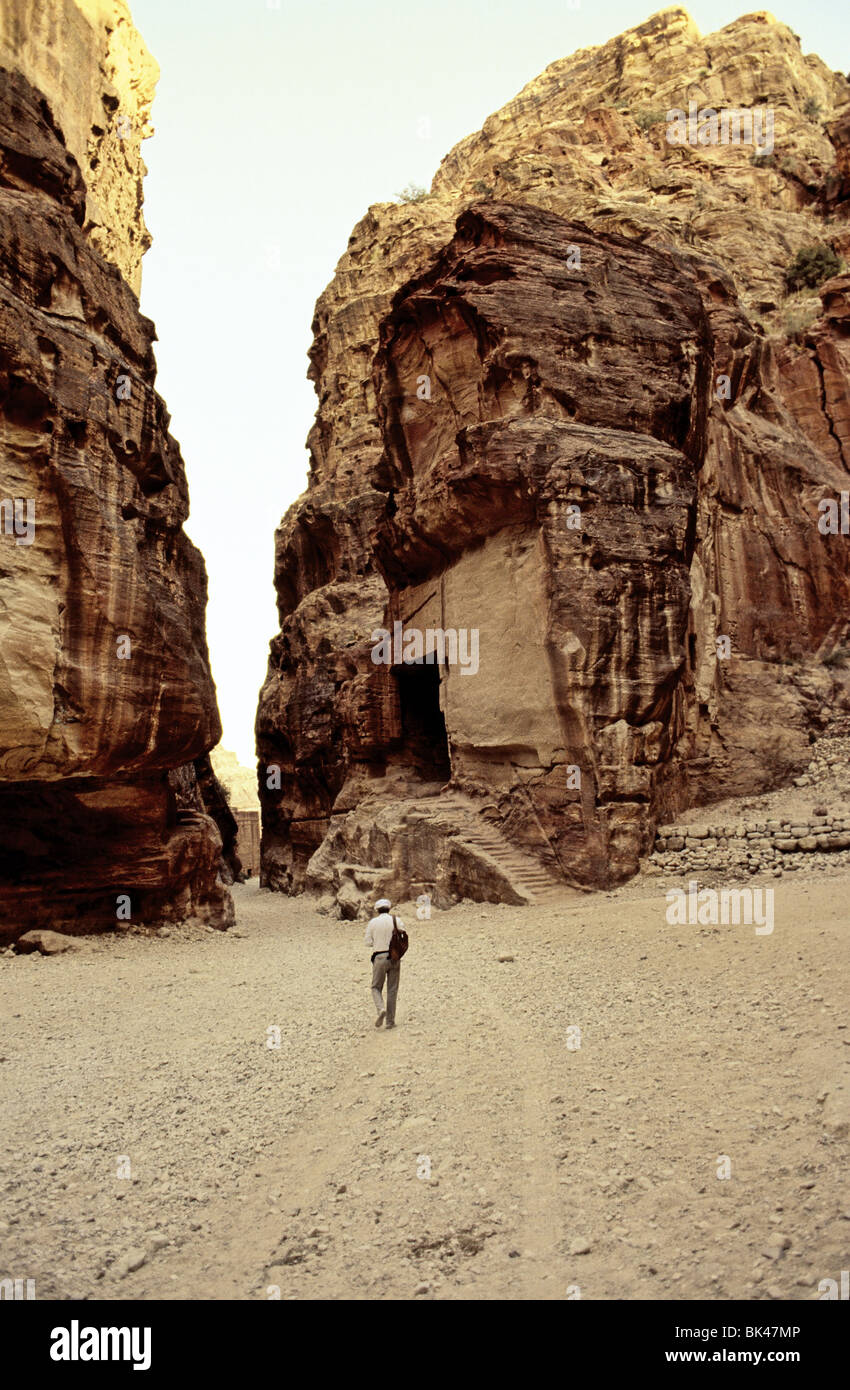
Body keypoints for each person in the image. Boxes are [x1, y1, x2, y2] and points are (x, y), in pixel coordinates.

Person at [365, 898, 404, 1029]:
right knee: (392, 989)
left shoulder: (373, 922)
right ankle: (390, 1022)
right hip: (394, 957)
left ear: (377, 910)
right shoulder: (396, 920)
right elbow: (403, 933)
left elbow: (368, 942)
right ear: (389, 908)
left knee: (376, 987)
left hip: (379, 957)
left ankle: (381, 1009)